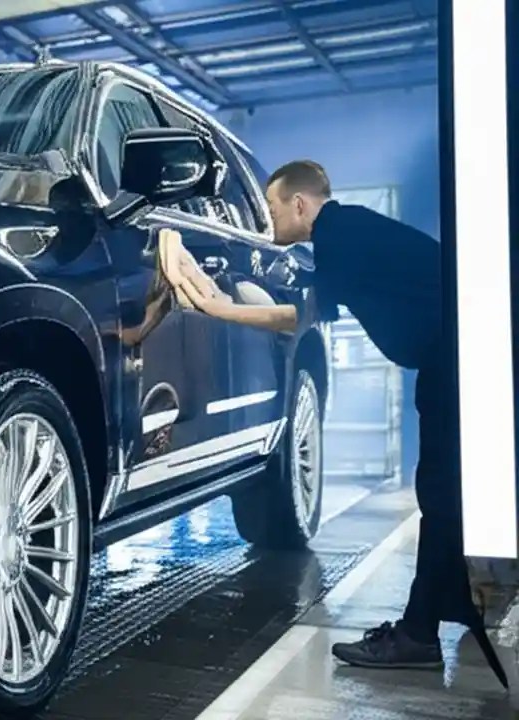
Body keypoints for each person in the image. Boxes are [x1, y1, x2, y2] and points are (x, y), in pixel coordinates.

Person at [185, 160, 507, 684]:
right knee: (444, 492)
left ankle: (420, 634)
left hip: (460, 356)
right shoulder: (347, 230)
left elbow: (300, 316)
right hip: (452, 356)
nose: (268, 222)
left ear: (299, 204)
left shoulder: (336, 234)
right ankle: (446, 606)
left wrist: (216, 306)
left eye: (270, 208)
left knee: (441, 494)